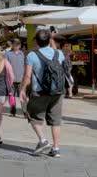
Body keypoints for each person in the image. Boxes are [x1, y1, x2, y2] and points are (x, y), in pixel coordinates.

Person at [20, 29, 66, 158]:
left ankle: (43, 140)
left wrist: (23, 89)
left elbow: (28, 76)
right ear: (50, 40)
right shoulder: (59, 53)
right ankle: (56, 149)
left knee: (31, 114)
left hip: (40, 92)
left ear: (36, 41)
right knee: (56, 120)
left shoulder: (31, 55)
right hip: (57, 92)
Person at [5, 39, 25, 116]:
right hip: (11, 79)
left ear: (19, 45)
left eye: (17, 45)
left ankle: (25, 111)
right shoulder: (8, 54)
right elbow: (6, 66)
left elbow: (23, 65)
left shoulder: (21, 54)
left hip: (21, 78)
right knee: (11, 96)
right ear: (12, 45)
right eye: (14, 44)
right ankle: (13, 111)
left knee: (22, 95)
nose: (16, 46)